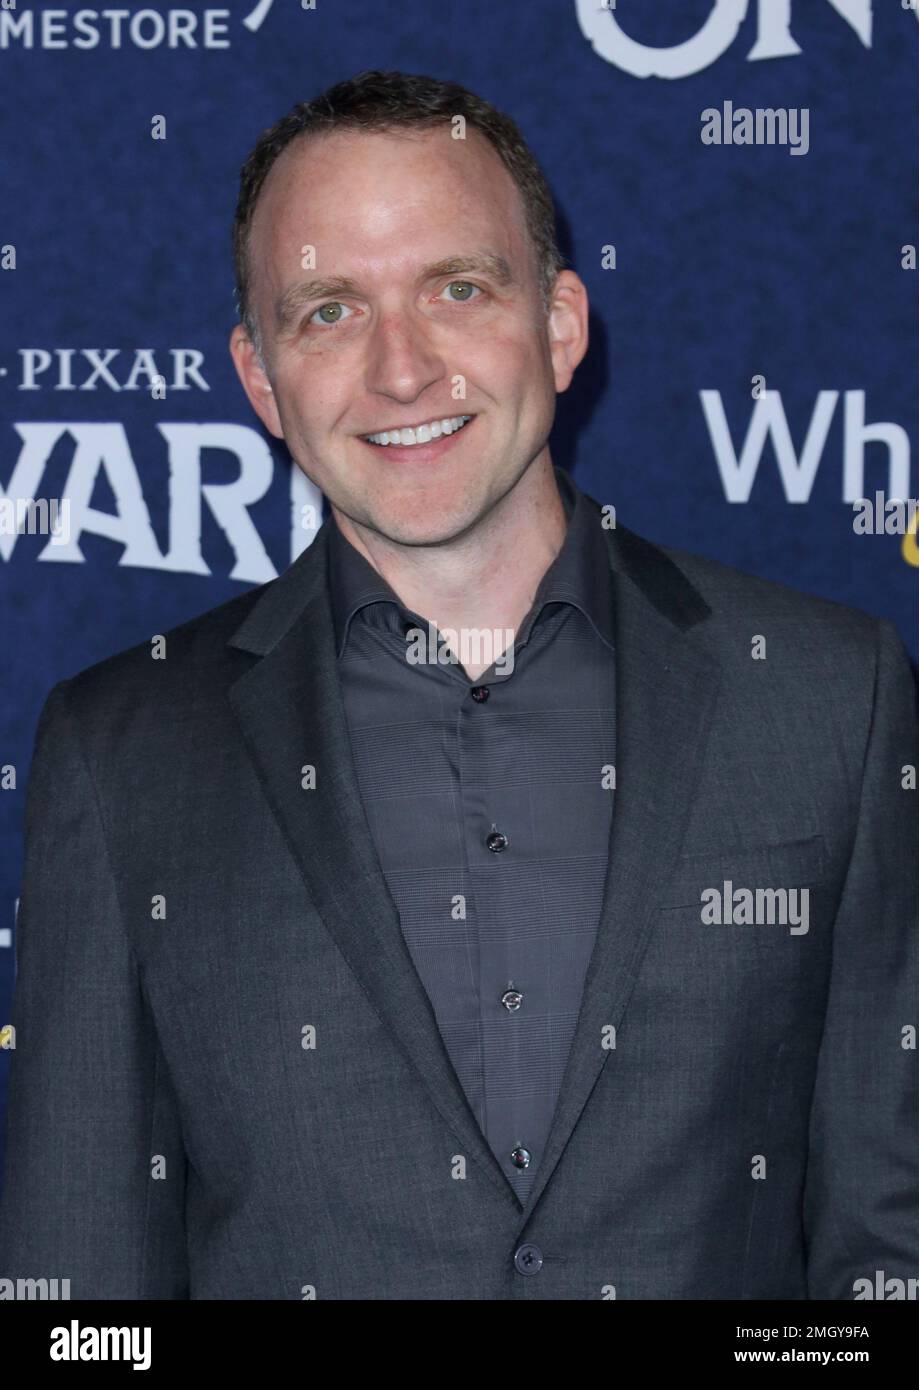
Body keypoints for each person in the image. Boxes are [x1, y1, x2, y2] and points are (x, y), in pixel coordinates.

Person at [1, 69, 917, 1301]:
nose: (400, 369)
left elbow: (888, 1249)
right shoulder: (120, 752)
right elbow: (82, 1298)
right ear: (262, 379)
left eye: (457, 287)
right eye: (328, 310)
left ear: (560, 322)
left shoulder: (827, 698)